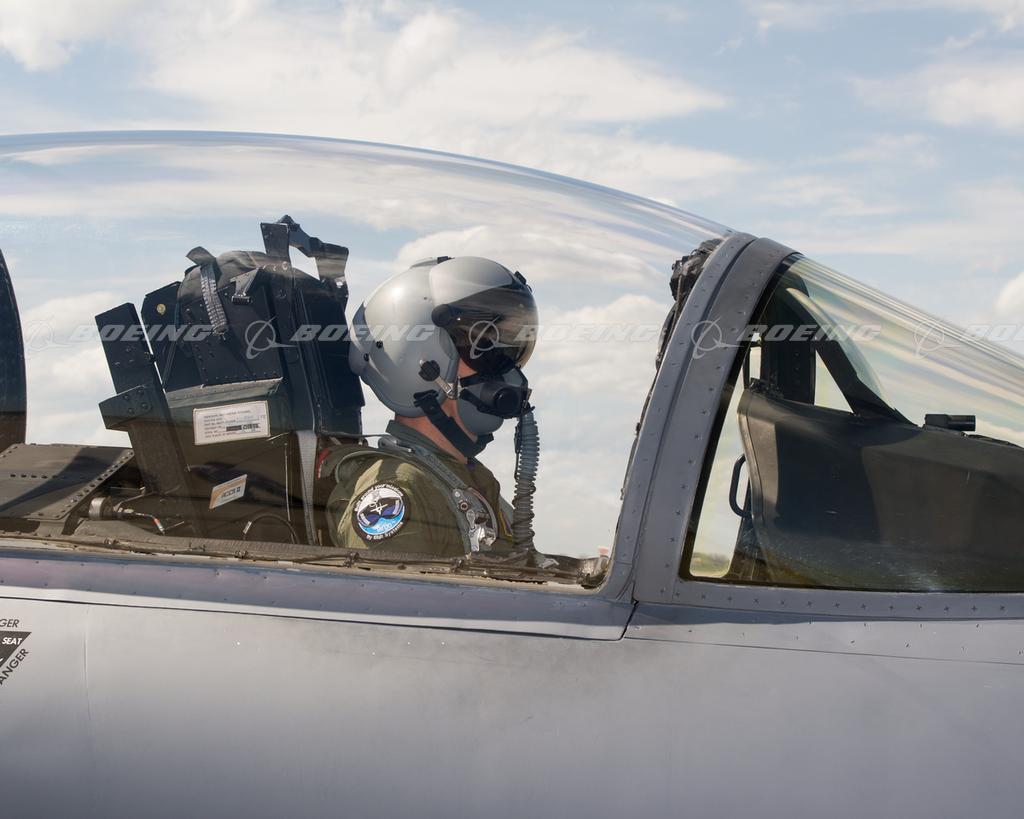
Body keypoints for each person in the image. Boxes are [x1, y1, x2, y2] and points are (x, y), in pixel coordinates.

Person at [323, 256, 538, 557]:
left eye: (508, 350)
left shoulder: (468, 480)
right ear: (419, 361)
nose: (506, 371)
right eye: (486, 349)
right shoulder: (399, 489)